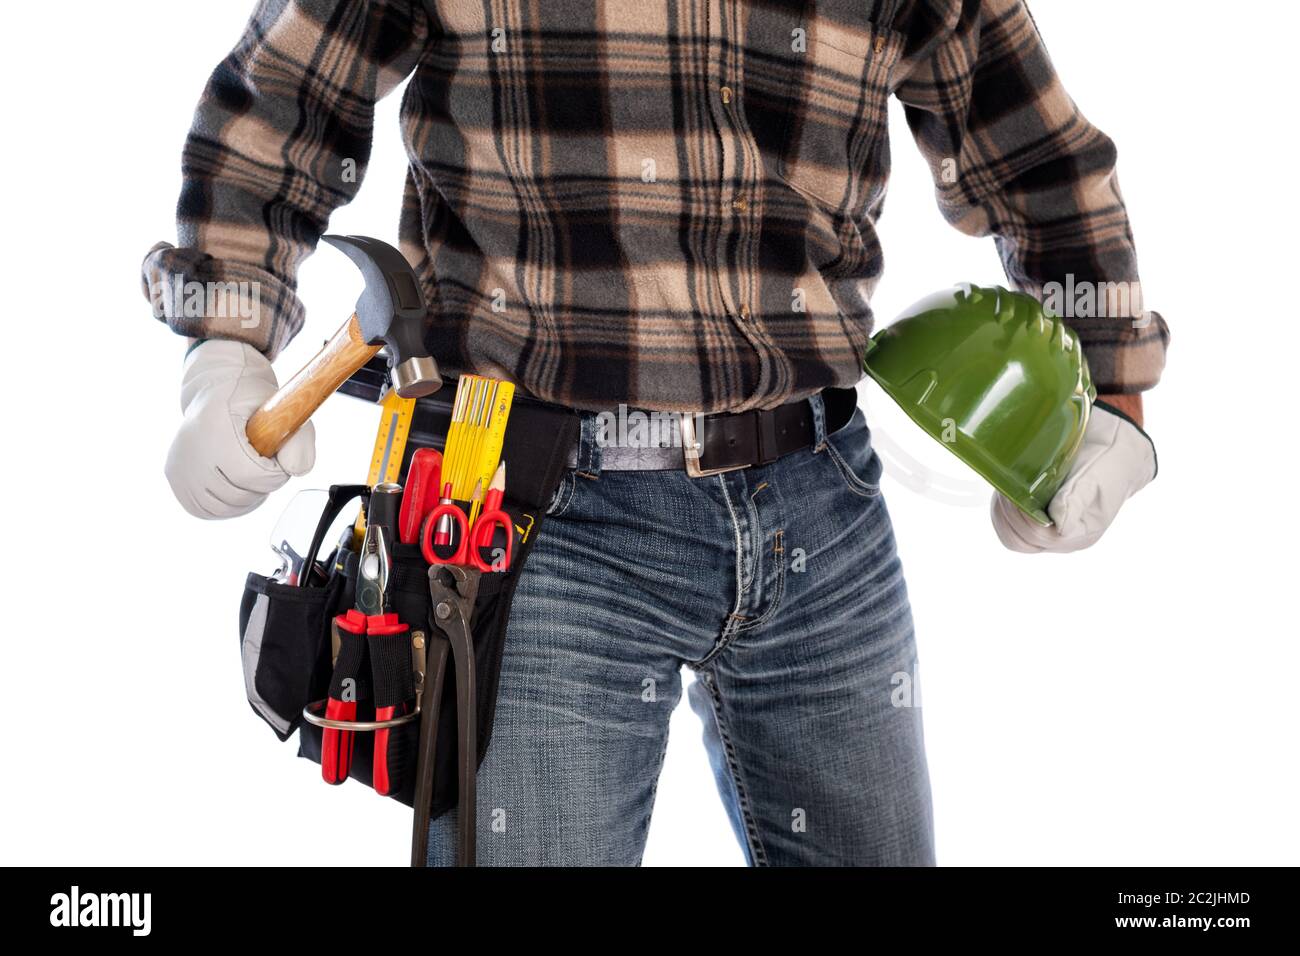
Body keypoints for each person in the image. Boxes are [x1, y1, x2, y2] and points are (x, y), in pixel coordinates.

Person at [143, 0, 1167, 865]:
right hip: (526, 510)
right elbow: (276, 108)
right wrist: (223, 345)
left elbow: (1030, 150)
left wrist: (1112, 399)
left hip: (821, 500)